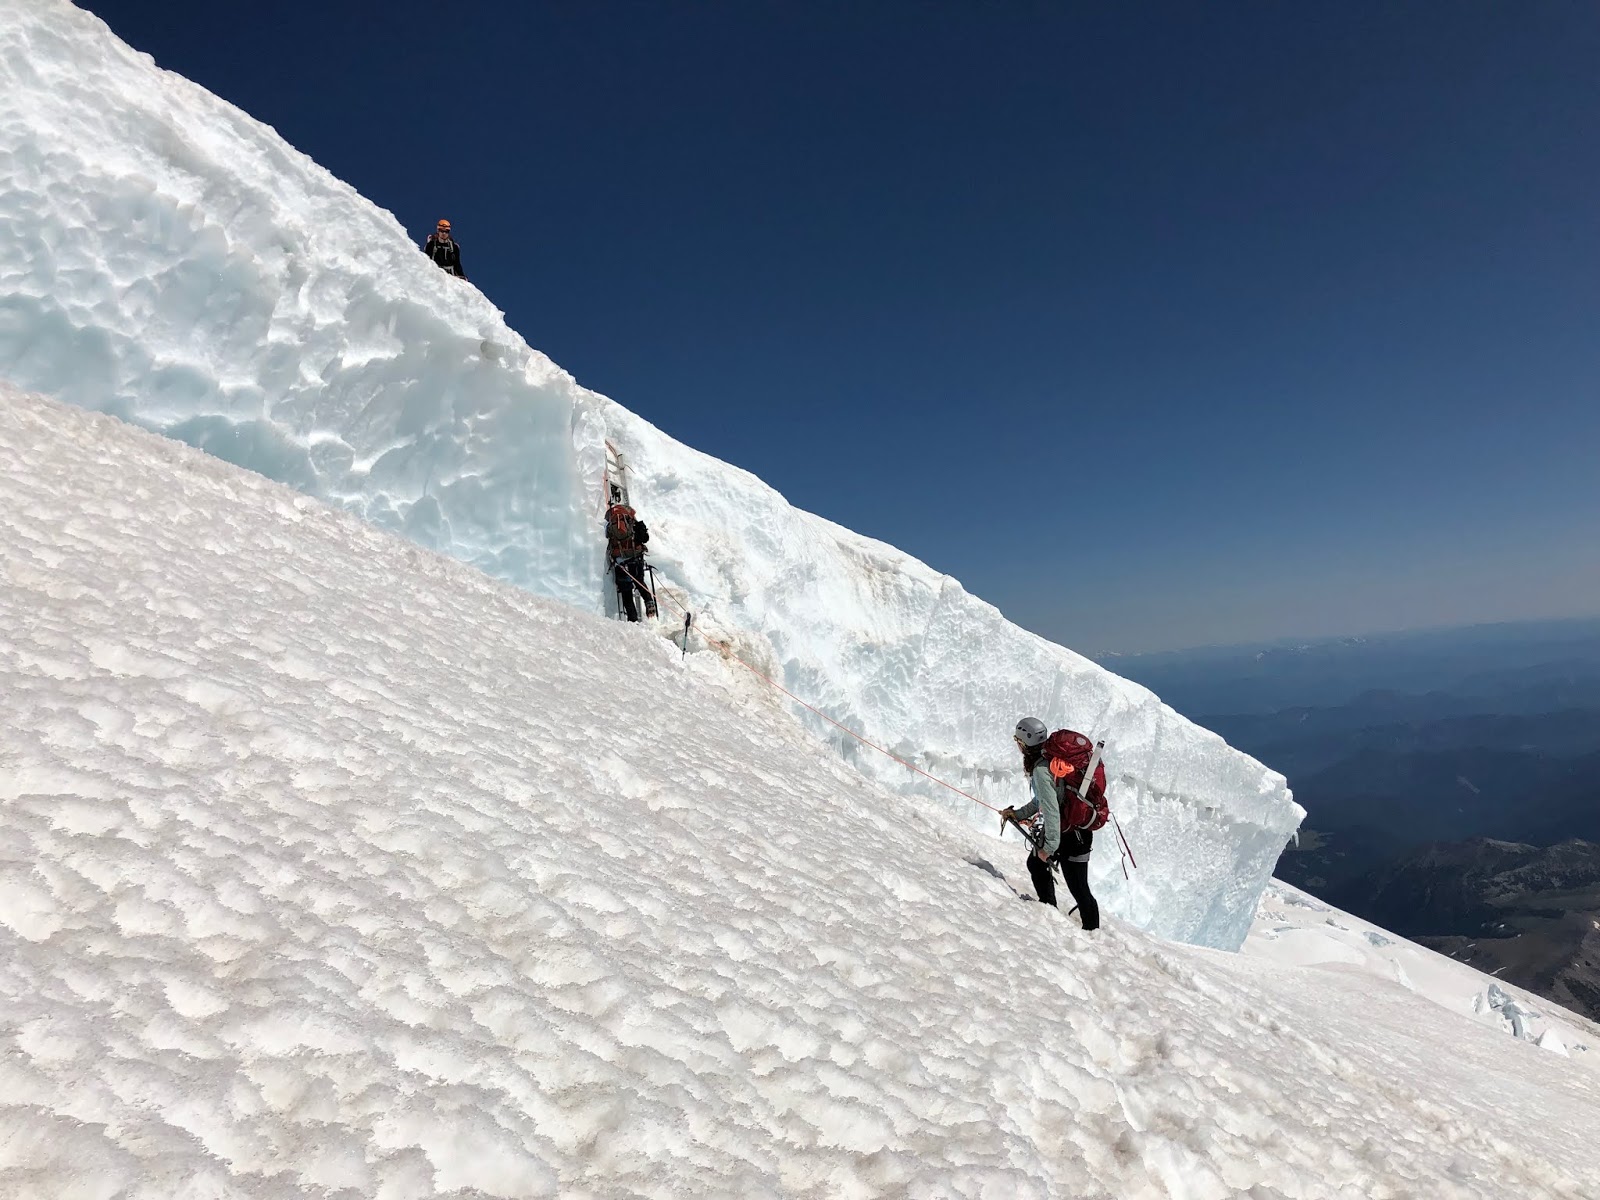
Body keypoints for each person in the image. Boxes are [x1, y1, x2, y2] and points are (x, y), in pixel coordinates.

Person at [1002, 716, 1100, 930]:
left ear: (1025, 743)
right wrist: (1018, 814)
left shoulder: (1041, 769)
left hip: (1071, 835)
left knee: (1078, 887)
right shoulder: (1049, 762)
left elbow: (1051, 809)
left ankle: (1093, 934)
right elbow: (1043, 800)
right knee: (1038, 865)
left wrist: (1049, 847)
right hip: (1072, 831)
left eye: (1018, 741)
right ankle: (1049, 911)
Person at [605, 485, 652, 622]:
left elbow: (608, 538)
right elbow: (644, 538)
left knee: (626, 591)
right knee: (639, 581)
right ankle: (649, 601)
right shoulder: (631, 519)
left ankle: (633, 620)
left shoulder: (611, 521)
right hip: (636, 557)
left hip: (621, 561)